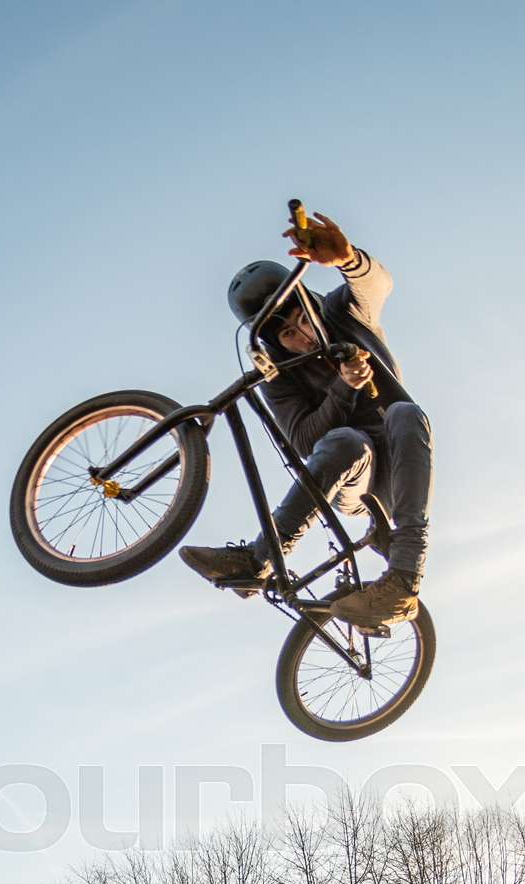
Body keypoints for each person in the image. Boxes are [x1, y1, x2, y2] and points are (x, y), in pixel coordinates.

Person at [179, 211, 433, 629]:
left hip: (402, 465)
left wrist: (348, 258)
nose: (304, 337)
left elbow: (376, 287)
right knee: (347, 442)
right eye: (288, 336)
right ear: (273, 343)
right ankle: (258, 561)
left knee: (406, 413)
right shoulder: (280, 378)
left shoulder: (343, 312)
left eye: (302, 320)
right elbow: (304, 441)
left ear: (310, 305)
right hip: (357, 480)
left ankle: (403, 580)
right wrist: (344, 387)